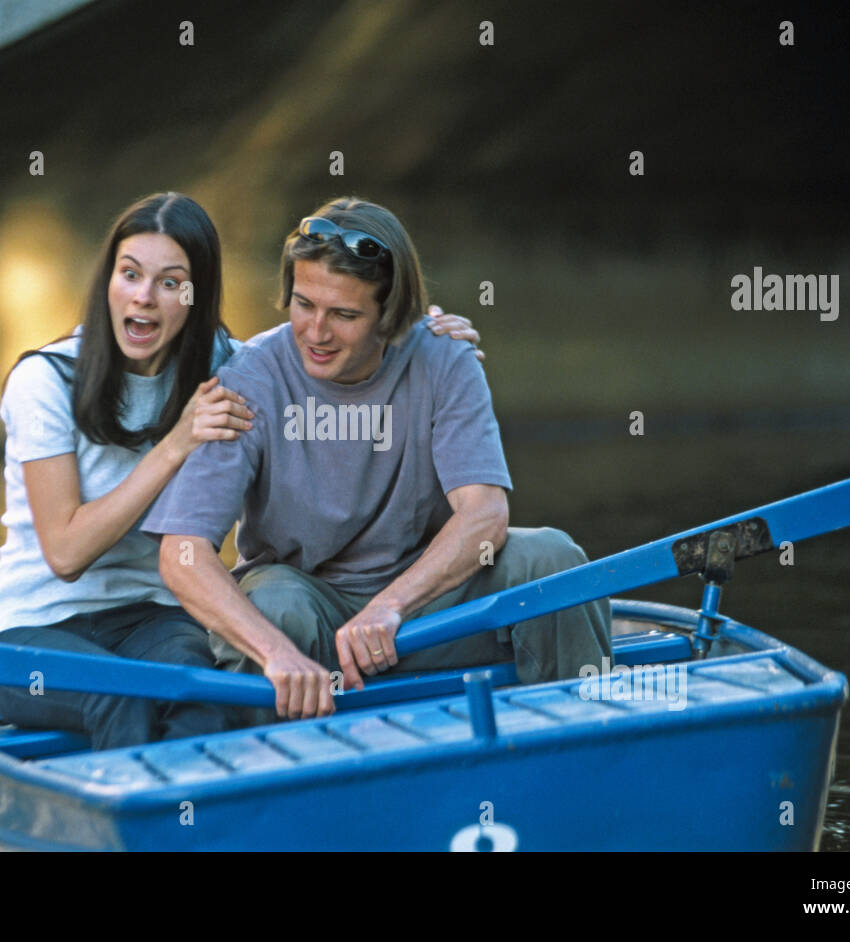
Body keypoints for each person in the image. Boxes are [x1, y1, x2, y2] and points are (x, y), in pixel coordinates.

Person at [0, 191, 483, 749]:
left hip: (152, 618)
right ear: (107, 282)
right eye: (129, 273)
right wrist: (175, 443)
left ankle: (216, 824)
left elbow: (308, 347)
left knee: (214, 702)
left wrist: (425, 334)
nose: (144, 297)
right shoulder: (45, 381)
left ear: (195, 296)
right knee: (120, 697)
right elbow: (66, 554)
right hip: (32, 628)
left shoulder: (224, 365)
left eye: (169, 282)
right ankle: (135, 831)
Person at [145, 197, 612, 722]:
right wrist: (275, 652)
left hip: (426, 612)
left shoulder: (445, 357)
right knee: (274, 607)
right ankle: (282, 782)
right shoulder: (249, 378)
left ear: (390, 314)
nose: (316, 332)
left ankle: (585, 743)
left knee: (553, 559)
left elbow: (484, 515)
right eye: (303, 304)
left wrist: (390, 607)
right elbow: (181, 554)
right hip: (306, 611)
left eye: (343, 314)